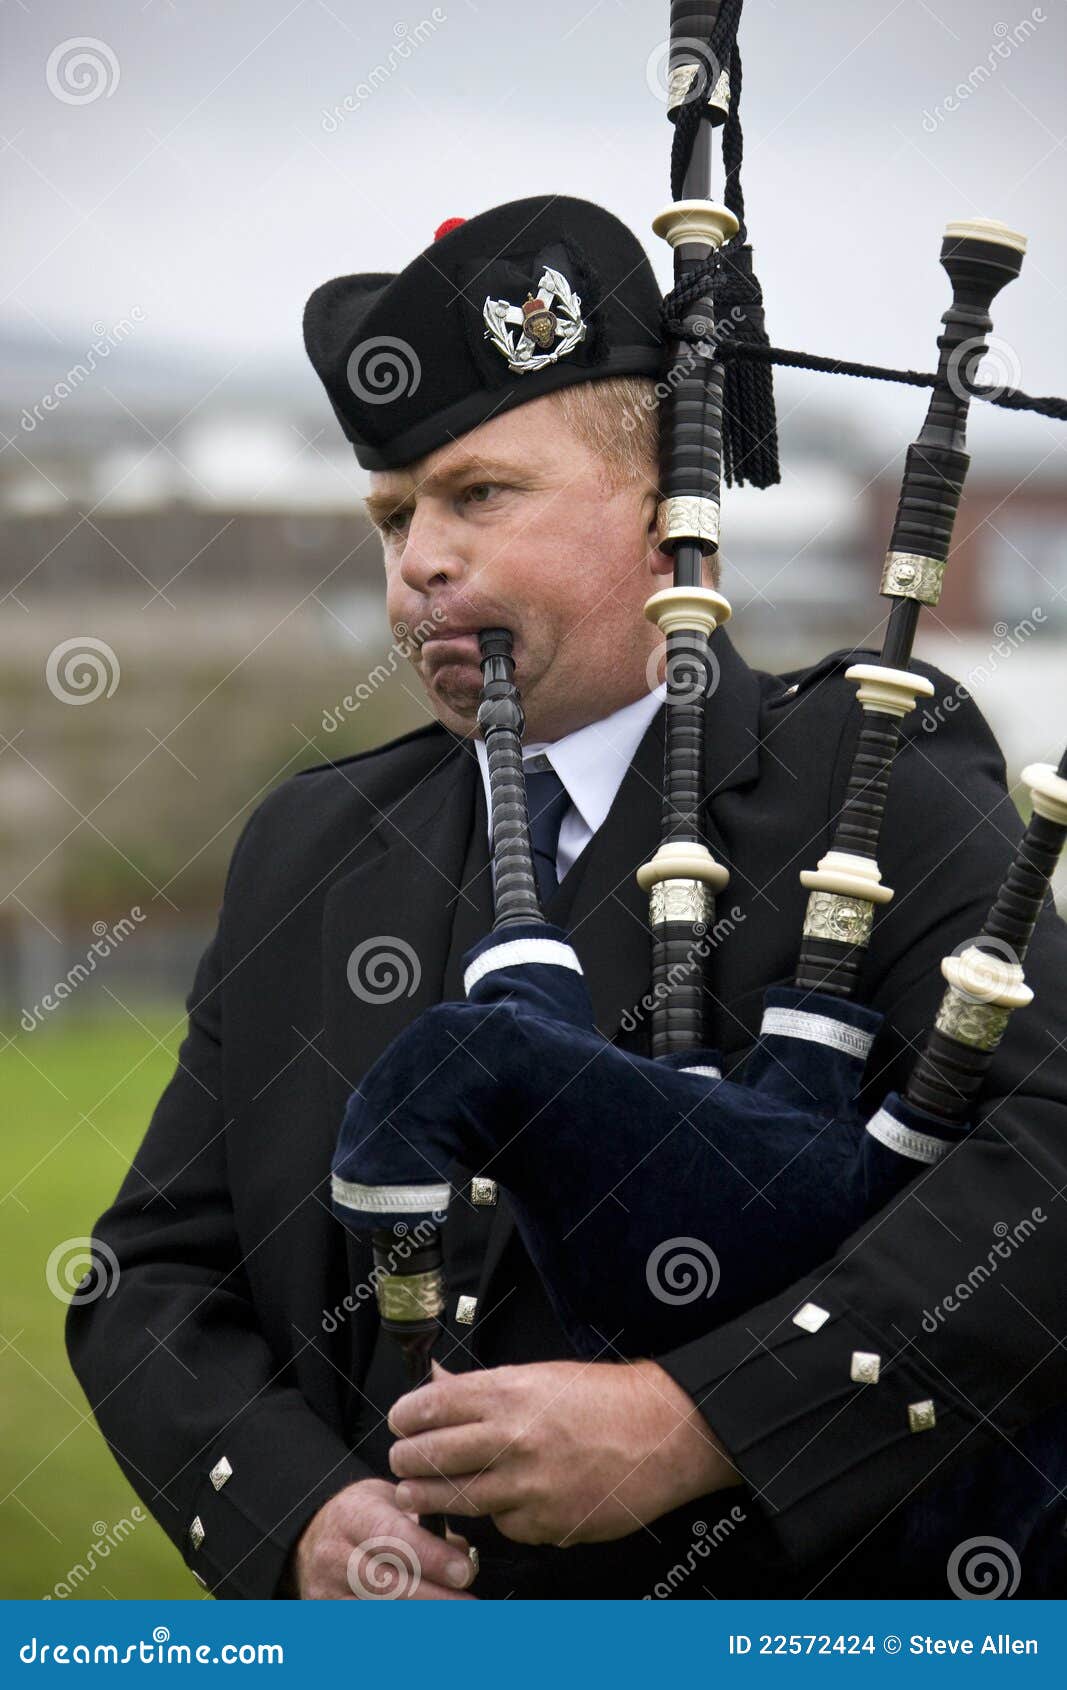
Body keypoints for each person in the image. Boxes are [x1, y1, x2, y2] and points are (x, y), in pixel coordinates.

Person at [66, 195, 1067, 1600]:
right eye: (394, 514)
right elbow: (151, 1272)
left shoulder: (869, 786)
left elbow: (1050, 1165)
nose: (419, 561)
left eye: (481, 494)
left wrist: (704, 1418)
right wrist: (301, 1510)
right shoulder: (309, 842)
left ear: (675, 518)